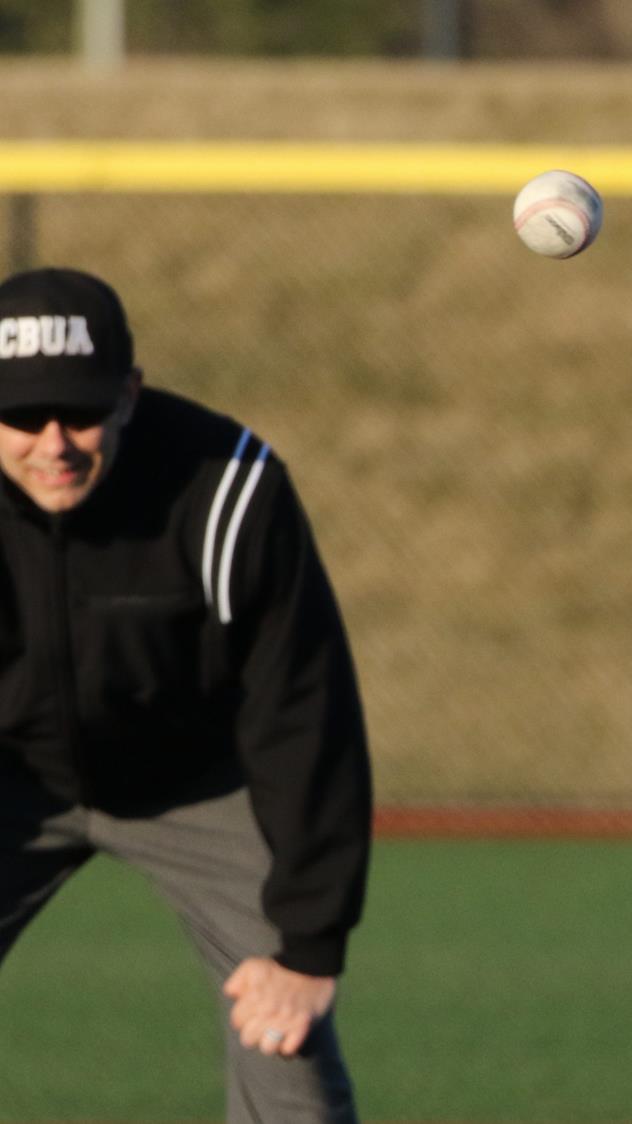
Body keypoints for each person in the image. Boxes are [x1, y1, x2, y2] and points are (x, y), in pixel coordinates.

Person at [0, 267, 371, 1122]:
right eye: (21, 416)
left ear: (129, 394)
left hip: (200, 782)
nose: (53, 443)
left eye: (82, 413)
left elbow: (303, 711)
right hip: (9, 780)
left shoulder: (227, 490)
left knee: (287, 1044)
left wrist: (308, 948)